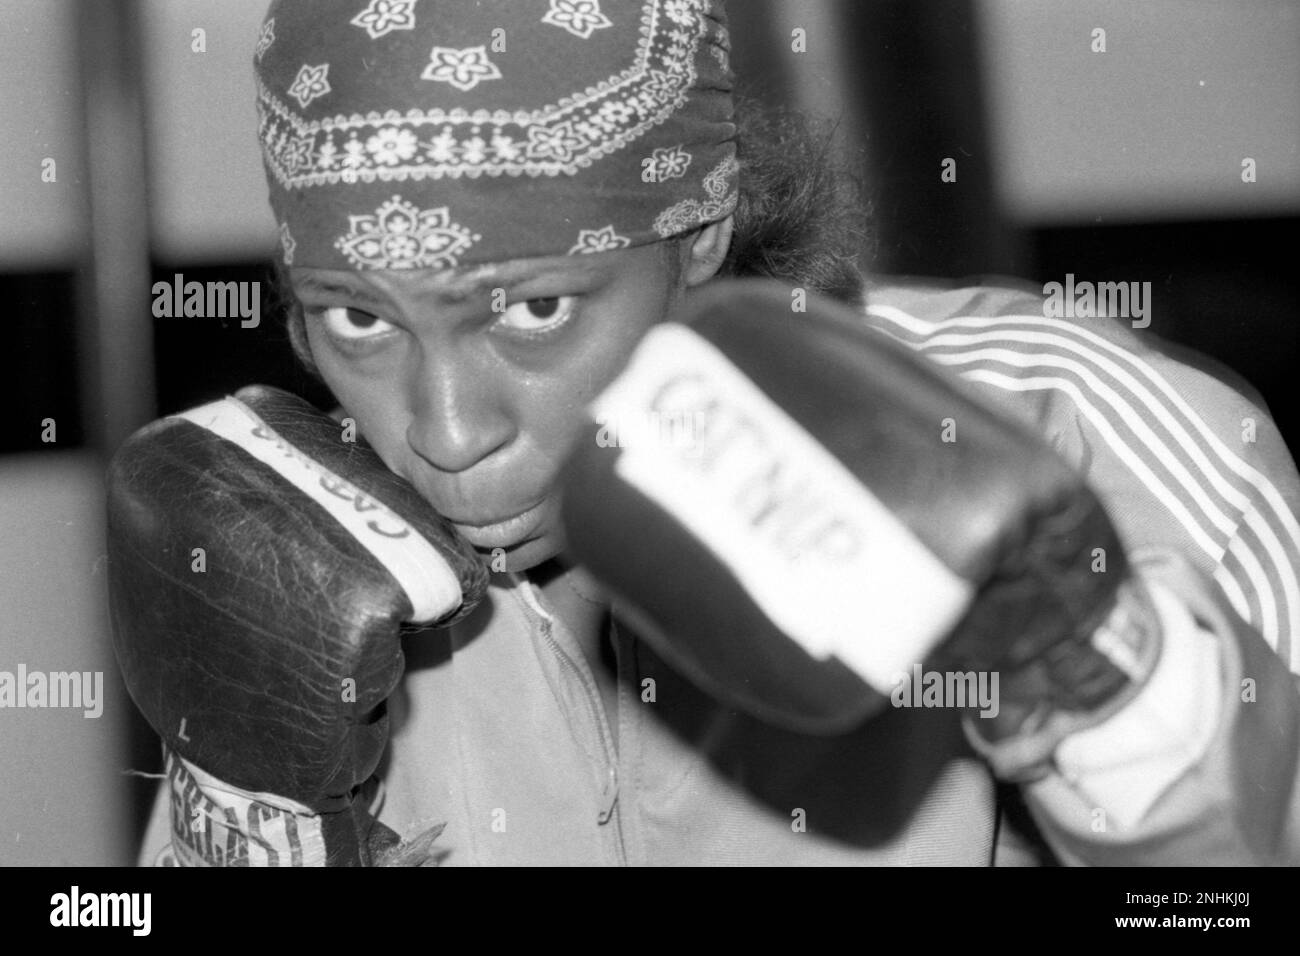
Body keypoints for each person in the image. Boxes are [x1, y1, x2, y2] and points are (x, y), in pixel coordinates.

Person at [119, 0, 1300, 866]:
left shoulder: (1068, 425)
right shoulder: (301, 548)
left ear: (697, 237)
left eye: (535, 309)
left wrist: (1116, 709)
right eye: (359, 318)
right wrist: (247, 825)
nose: (445, 430)